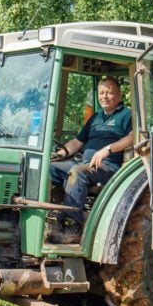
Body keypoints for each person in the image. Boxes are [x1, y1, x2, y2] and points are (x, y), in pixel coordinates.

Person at [49, 77, 133, 244]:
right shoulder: (95, 118)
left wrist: (107, 150)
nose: (105, 96)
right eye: (101, 92)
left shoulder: (126, 115)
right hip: (83, 163)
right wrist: (60, 153)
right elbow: (77, 142)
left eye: (109, 92)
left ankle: (73, 226)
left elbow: (132, 138)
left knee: (77, 173)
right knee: (48, 168)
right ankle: (49, 217)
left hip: (107, 166)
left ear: (119, 94)